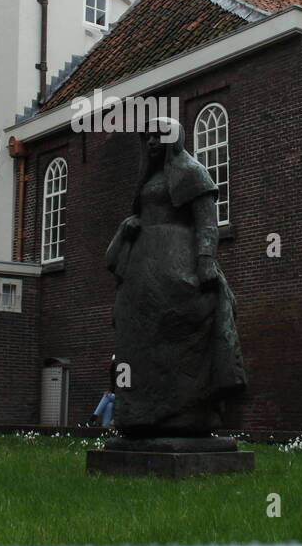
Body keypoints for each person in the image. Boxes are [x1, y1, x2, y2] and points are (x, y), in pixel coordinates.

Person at [105, 117, 246, 437]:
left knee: (178, 332)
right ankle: (139, 412)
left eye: (159, 135)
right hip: (143, 268)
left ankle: (184, 411)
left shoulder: (193, 172)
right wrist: (129, 224)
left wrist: (206, 261)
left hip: (177, 262)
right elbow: (140, 214)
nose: (152, 141)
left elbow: (207, 222)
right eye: (148, 135)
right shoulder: (148, 179)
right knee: (139, 336)